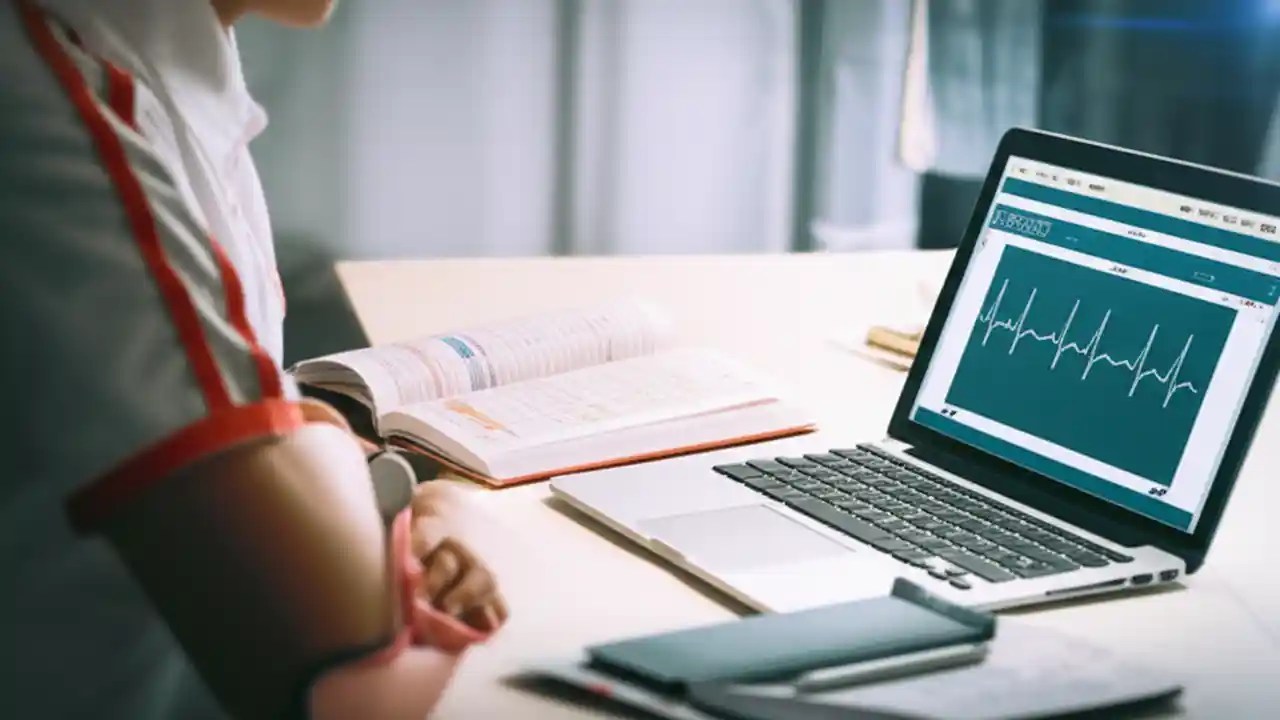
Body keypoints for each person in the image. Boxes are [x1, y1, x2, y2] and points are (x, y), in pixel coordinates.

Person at [0, 0, 507, 717]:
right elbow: (345, 694)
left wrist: (417, 495)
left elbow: (250, 406)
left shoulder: (160, 62)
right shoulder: (55, 96)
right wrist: (464, 509)